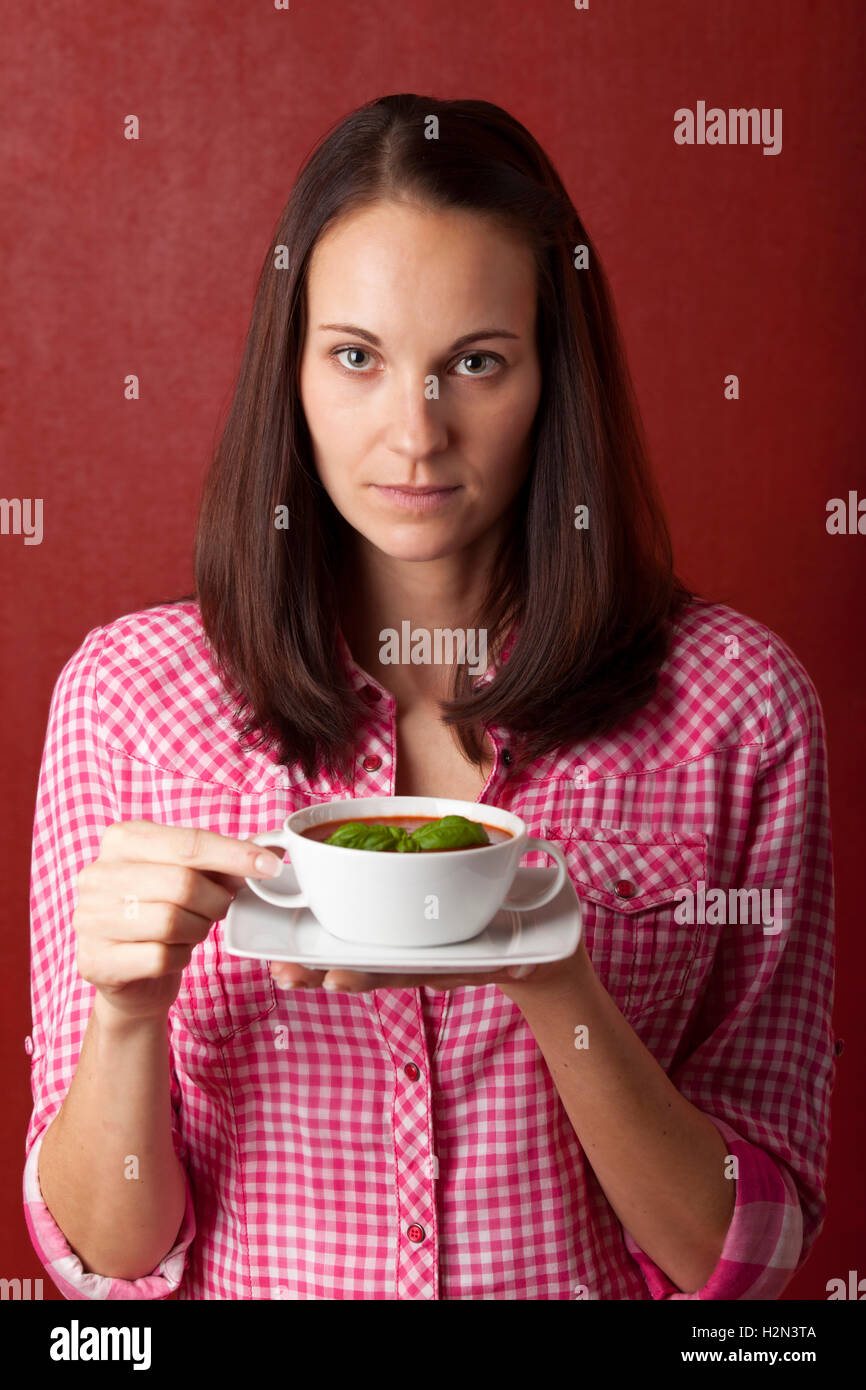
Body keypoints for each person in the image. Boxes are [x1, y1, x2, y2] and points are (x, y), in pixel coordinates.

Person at [24, 93, 835, 1300]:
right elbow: (106, 1262)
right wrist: (128, 1016)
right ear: (289, 370)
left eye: (475, 363)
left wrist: (550, 974)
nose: (414, 432)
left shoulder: (737, 706)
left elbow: (739, 1263)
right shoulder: (126, 699)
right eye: (356, 356)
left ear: (552, 375)